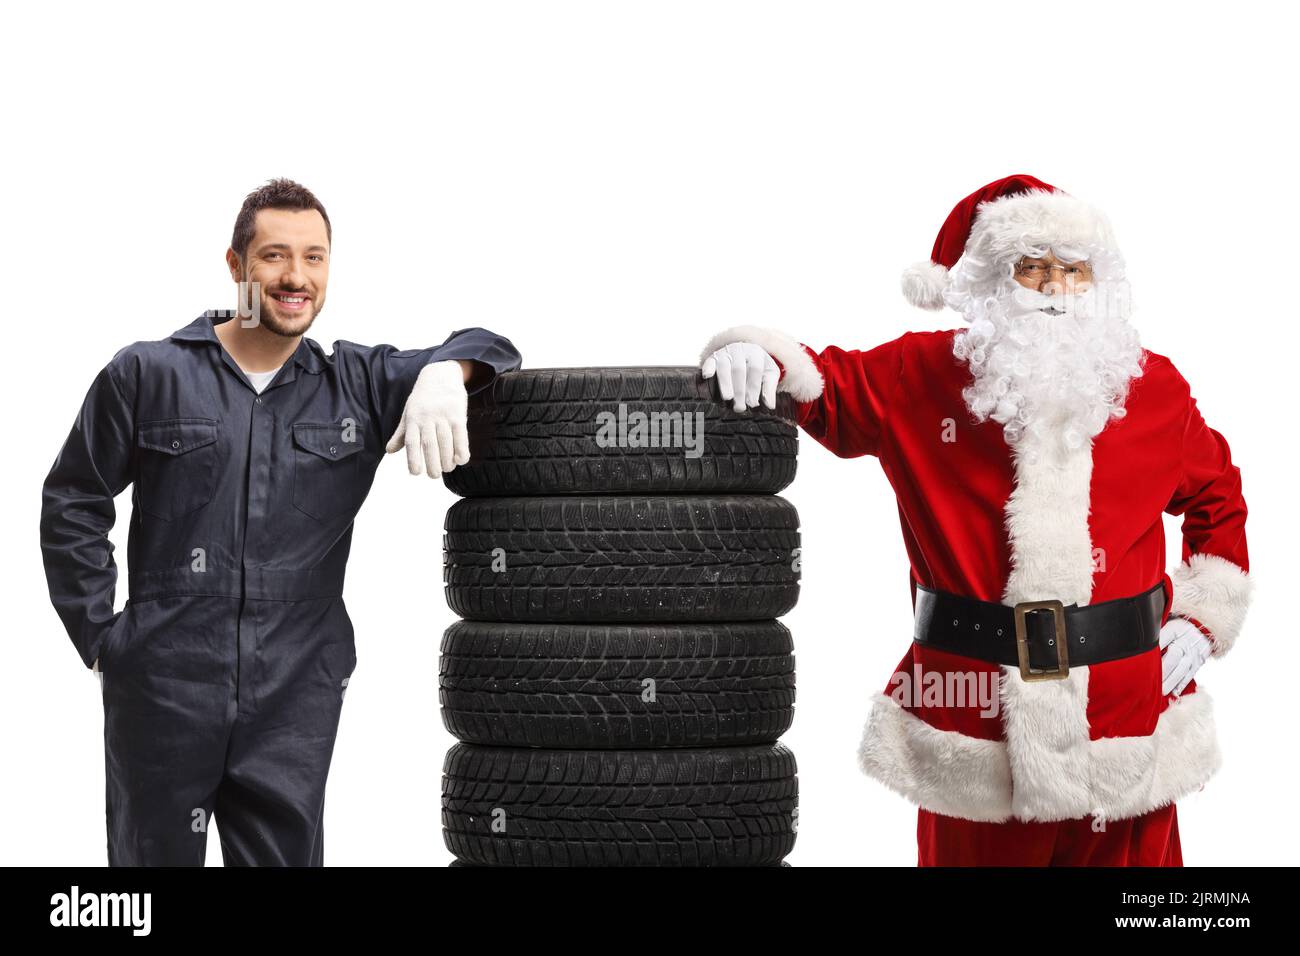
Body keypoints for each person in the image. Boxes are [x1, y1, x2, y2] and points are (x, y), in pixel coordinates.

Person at [698, 174, 1251, 866]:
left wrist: (1202, 620)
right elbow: (822, 386)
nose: (1055, 288)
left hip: (1127, 731)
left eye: (1074, 271)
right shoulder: (918, 376)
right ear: (990, 281)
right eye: (1032, 267)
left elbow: (1218, 497)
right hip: (976, 735)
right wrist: (751, 350)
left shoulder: (1152, 387)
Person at [40, 178, 521, 866]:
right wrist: (102, 639)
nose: (296, 277)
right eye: (274, 256)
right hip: (164, 688)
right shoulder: (148, 373)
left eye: (315, 257)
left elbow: (495, 343)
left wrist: (449, 370)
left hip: (296, 695)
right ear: (236, 267)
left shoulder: (355, 382)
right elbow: (73, 499)